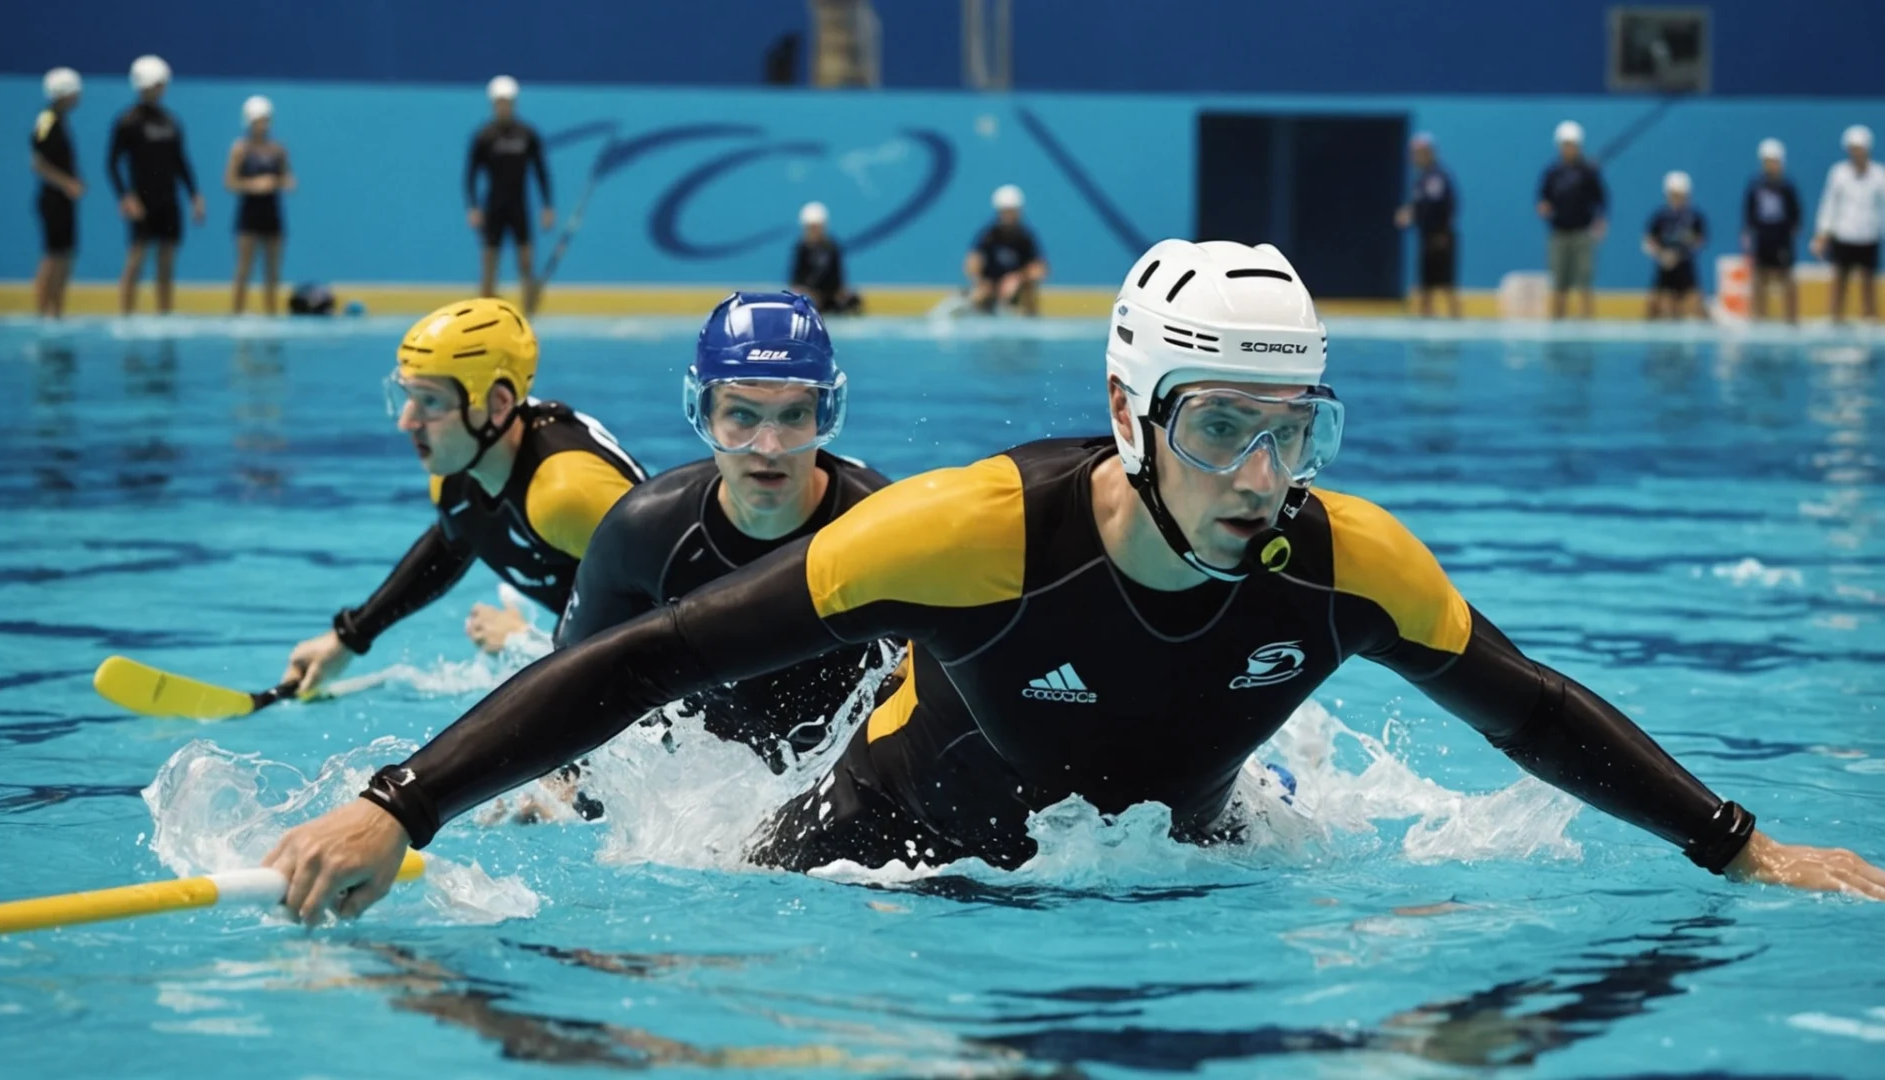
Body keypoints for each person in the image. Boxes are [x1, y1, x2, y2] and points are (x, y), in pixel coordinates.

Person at [263, 238, 1885, 922]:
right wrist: (402, 804)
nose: (1262, 477)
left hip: (1174, 882)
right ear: (1130, 413)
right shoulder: (971, 534)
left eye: (1291, 431)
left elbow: (1522, 708)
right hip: (873, 877)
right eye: (1219, 429)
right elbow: (659, 657)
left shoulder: (1350, 563)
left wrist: (1742, 850)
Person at [556, 291, 895, 774]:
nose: (770, 447)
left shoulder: (880, 527)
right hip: (696, 785)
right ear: (703, 414)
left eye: (794, 415)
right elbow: (575, 683)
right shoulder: (644, 532)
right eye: (741, 415)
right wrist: (563, 781)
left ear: (825, 414)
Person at [279, 298, 646, 696]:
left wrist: (525, 645)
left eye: (431, 401)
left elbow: (684, 617)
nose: (407, 421)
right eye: (407, 396)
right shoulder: (460, 470)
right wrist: (348, 638)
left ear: (498, 404)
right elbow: (454, 538)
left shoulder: (567, 496)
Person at [108, 55, 204, 316]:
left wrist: (194, 195)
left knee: (167, 260)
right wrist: (125, 196)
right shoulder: (128, 122)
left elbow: (180, 161)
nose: (159, 90)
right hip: (142, 199)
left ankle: (164, 313)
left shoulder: (170, 121)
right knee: (137, 257)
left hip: (168, 199)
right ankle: (125, 314)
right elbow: (112, 163)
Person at [466, 76, 553, 316]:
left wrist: (547, 206)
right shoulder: (484, 137)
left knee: (526, 262)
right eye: (499, 102)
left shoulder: (527, 135)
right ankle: (485, 314)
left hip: (519, 207)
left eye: (508, 102)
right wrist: (472, 206)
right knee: (489, 263)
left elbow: (540, 171)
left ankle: (528, 314)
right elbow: (471, 174)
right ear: (493, 104)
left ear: (514, 103)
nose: (503, 107)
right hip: (494, 206)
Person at [224, 95, 294, 316]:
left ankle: (271, 313)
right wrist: (255, 185)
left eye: (265, 120)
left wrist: (278, 182)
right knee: (244, 268)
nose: (261, 125)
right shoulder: (240, 149)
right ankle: (236, 313)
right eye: (257, 121)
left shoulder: (277, 150)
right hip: (249, 213)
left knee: (272, 272)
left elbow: (288, 179)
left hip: (272, 212)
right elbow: (230, 182)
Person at [1811, 125, 1885, 323]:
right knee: (1840, 280)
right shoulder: (1838, 173)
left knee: (1868, 281)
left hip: (1869, 234)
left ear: (1868, 149)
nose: (1856, 153)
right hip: (1844, 234)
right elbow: (1829, 204)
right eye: (1853, 149)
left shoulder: (1880, 175)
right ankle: (1836, 318)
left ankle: (1870, 318)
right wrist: (1822, 235)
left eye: (1859, 148)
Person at [1537, 121, 1607, 320]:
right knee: (1559, 282)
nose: (1568, 149)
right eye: (1565, 145)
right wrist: (1544, 207)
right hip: (1559, 234)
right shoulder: (1552, 173)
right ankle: (1558, 320)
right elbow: (1543, 198)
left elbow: (1601, 200)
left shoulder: (1588, 172)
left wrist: (1600, 222)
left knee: (1585, 280)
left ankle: (1587, 320)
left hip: (1582, 234)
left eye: (1572, 145)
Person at [31, 67, 84, 319]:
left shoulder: (61, 121)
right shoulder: (46, 120)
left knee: (66, 255)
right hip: (53, 198)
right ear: (64, 94)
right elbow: (38, 162)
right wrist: (66, 183)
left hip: (63, 198)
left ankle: (57, 311)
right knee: (53, 256)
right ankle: (43, 313)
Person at [1393, 133, 1459, 319]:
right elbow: (1421, 206)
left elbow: (1443, 207)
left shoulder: (1437, 178)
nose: (1415, 158)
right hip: (1427, 235)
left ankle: (1454, 318)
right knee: (1426, 283)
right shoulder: (1422, 179)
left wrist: (1441, 233)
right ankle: (1426, 317)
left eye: (1419, 153)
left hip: (1439, 236)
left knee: (1445, 282)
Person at [1742, 138, 1802, 323]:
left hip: (1782, 237)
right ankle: (1759, 317)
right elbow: (1749, 214)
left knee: (1786, 277)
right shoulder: (1755, 186)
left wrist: (1788, 235)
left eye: (1774, 162)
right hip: (1763, 237)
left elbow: (1796, 215)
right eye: (1768, 162)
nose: (1771, 166)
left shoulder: (1787, 188)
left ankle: (1791, 319)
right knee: (1760, 277)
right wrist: (1748, 235)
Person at [965, 184, 1047, 315]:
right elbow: (972, 261)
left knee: (1026, 289)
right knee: (978, 295)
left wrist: (1018, 278)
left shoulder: (1025, 238)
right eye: (1005, 212)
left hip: (1016, 290)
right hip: (991, 287)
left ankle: (1027, 317)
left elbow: (1040, 269)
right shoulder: (989, 236)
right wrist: (981, 282)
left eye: (1012, 211)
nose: (1009, 216)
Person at [1641, 171, 1707, 320]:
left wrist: (1680, 254)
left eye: (1680, 195)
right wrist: (1662, 255)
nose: (1676, 199)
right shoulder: (1660, 217)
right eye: (1673, 195)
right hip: (1665, 269)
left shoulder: (1694, 217)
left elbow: (1699, 242)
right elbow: (1648, 242)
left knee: (1694, 306)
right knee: (1656, 307)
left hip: (1685, 268)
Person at [786, 203, 861, 315]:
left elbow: (838, 279)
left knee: (854, 301)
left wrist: (840, 293)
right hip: (811, 296)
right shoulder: (801, 249)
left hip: (829, 296)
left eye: (817, 227)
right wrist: (808, 293)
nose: (814, 231)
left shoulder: (832, 248)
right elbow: (795, 283)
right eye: (811, 228)